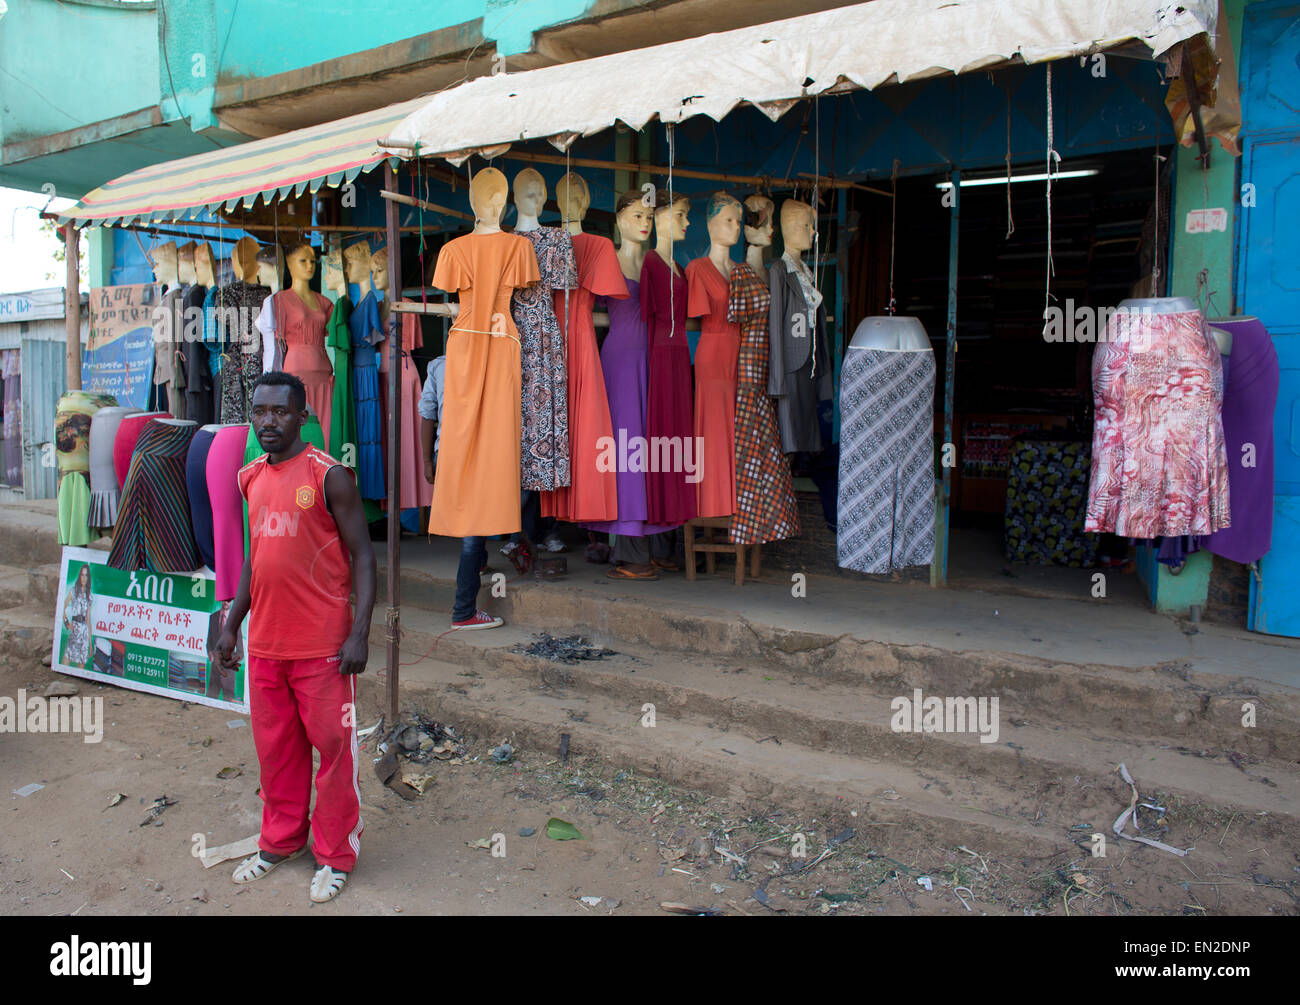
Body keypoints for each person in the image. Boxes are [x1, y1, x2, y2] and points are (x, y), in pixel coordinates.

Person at [211, 371, 376, 904]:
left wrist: (360, 632)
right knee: (276, 752)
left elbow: (366, 556)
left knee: (332, 752)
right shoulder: (250, 477)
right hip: (266, 646)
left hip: (323, 649)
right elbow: (257, 562)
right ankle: (280, 841)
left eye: (280, 411)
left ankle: (334, 854)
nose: (268, 421)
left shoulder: (330, 476)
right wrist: (231, 624)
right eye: (259, 411)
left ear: (303, 416)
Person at [419, 355, 502, 630]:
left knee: (474, 525)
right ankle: (464, 611)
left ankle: (479, 565)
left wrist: (429, 460)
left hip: (447, 453)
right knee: (473, 532)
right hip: (477, 453)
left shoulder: (439, 365)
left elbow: (427, 414)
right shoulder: (493, 361)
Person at [62, 563, 92, 668]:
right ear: (79, 576)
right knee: (68, 656)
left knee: (82, 660)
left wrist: (90, 643)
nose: (84, 578)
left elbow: (88, 619)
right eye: (82, 575)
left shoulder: (89, 596)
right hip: (75, 628)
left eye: (86, 575)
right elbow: (63, 607)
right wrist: (67, 624)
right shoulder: (73, 590)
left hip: (84, 631)